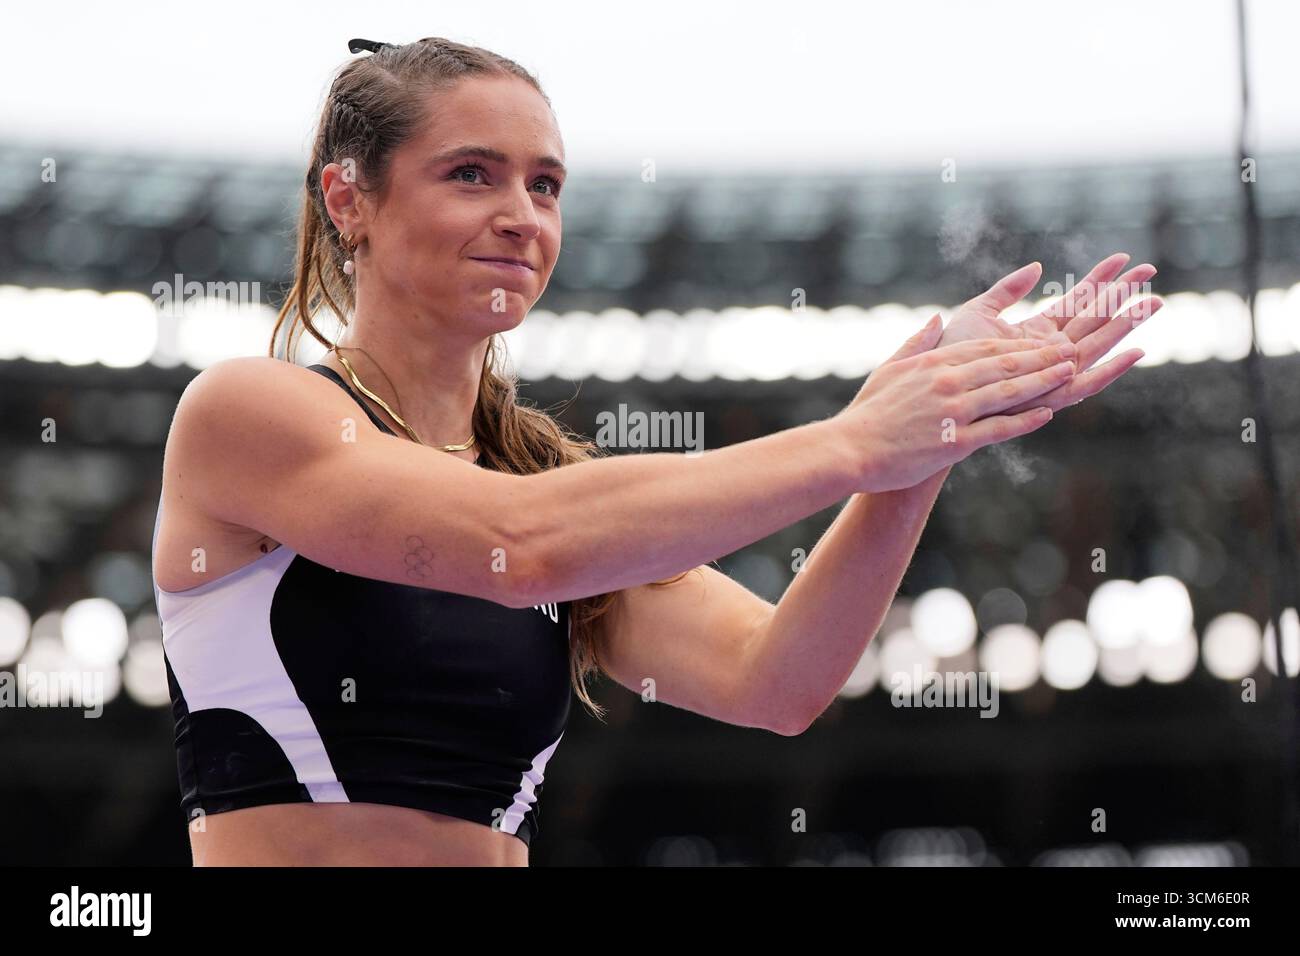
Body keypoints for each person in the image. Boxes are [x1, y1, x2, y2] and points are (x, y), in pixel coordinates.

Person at [150, 36, 1162, 866]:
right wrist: (856, 438)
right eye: (471, 174)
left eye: (545, 185)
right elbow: (521, 543)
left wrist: (920, 451)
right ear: (347, 200)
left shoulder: (554, 491)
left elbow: (776, 679)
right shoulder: (249, 413)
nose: (521, 215)